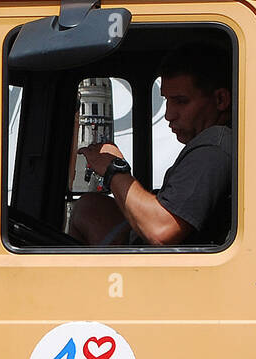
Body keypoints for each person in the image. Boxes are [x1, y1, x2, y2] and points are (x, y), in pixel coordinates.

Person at [68, 42, 232, 248]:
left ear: (220, 99)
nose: (169, 115)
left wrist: (113, 169)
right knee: (89, 208)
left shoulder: (214, 147)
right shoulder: (213, 142)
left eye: (180, 101)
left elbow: (161, 230)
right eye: (167, 101)